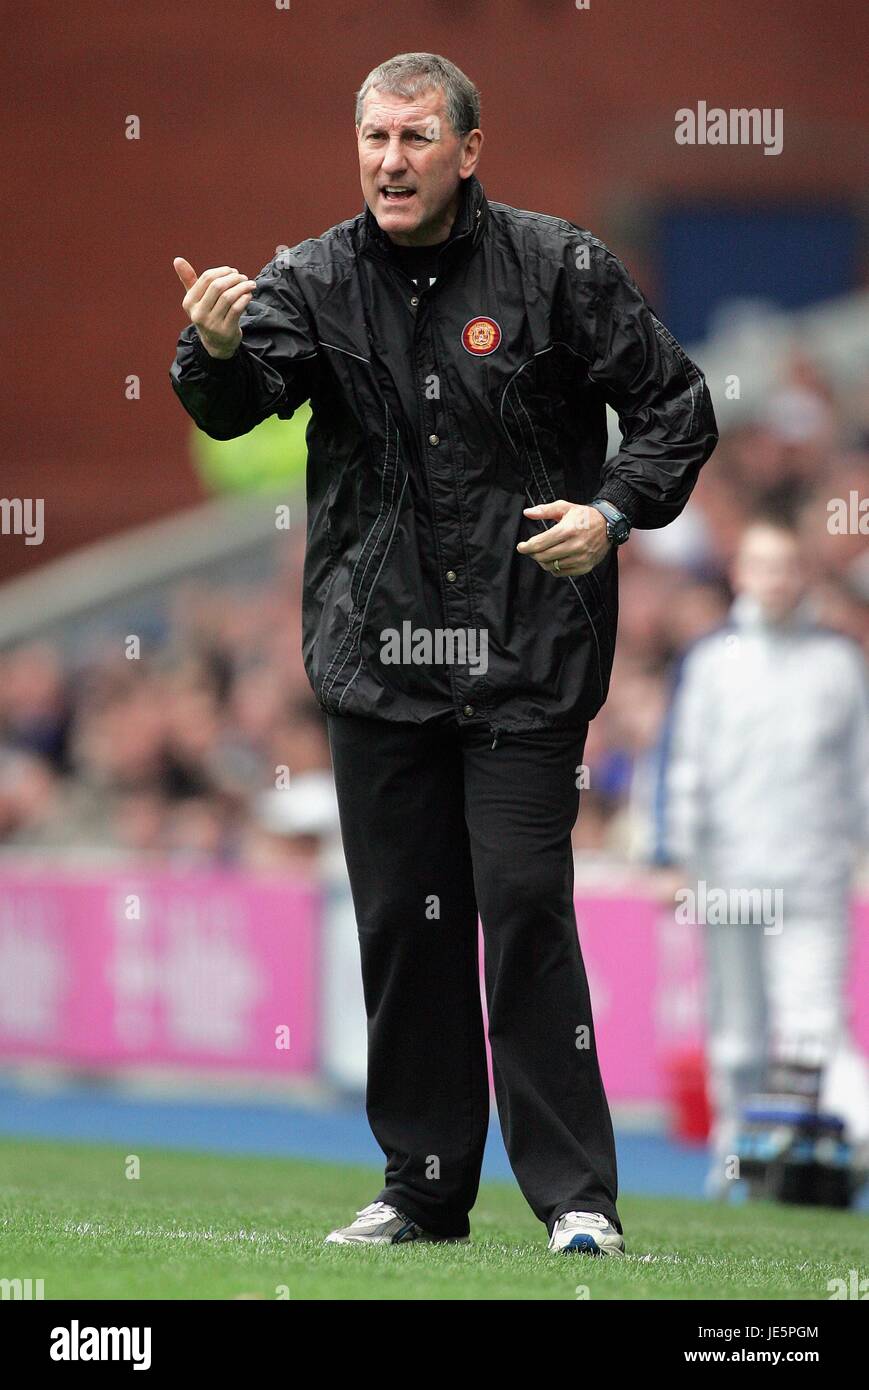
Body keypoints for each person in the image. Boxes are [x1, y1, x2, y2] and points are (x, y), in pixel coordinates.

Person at [169, 52, 718, 1255]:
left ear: (468, 150)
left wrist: (612, 511)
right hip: (378, 667)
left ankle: (576, 1196)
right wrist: (209, 350)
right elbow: (236, 400)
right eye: (372, 138)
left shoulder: (558, 266)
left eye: (415, 138)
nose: (389, 160)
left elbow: (678, 404)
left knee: (521, 903)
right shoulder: (309, 278)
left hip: (524, 657)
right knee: (404, 928)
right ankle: (420, 1190)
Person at [654, 516, 869, 1196]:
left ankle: (822, 1153)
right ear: (740, 574)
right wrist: (672, 853)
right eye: (761, 565)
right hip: (729, 870)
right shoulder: (712, 661)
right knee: (738, 1029)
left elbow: (860, 770)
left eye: (786, 566)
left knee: (812, 1025)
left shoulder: (838, 661)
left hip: (811, 871)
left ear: (800, 574)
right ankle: (732, 1153)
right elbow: (681, 763)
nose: (774, 580)